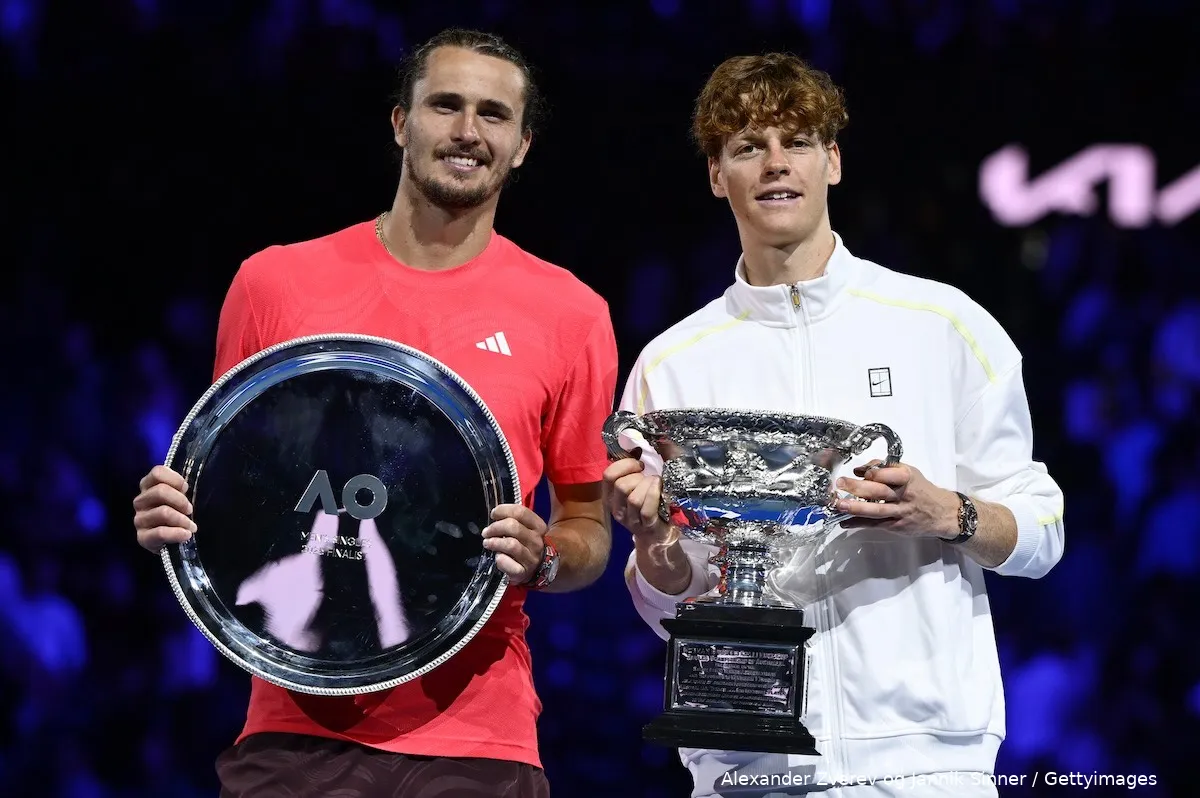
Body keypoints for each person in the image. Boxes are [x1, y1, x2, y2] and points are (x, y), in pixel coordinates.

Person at [131, 28, 617, 798]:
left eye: (493, 115)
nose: (466, 131)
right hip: (294, 724)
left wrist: (547, 556)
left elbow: (589, 526)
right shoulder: (275, 284)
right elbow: (228, 486)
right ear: (400, 122)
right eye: (445, 105)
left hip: (479, 734)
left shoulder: (571, 314)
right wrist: (173, 513)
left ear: (522, 145)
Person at [605, 53, 1065, 797]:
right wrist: (655, 549)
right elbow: (670, 602)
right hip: (746, 772)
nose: (776, 164)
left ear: (835, 161)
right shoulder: (675, 362)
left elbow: (1044, 533)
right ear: (717, 174)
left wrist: (944, 512)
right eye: (748, 146)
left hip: (927, 763)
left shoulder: (943, 325)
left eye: (799, 142)